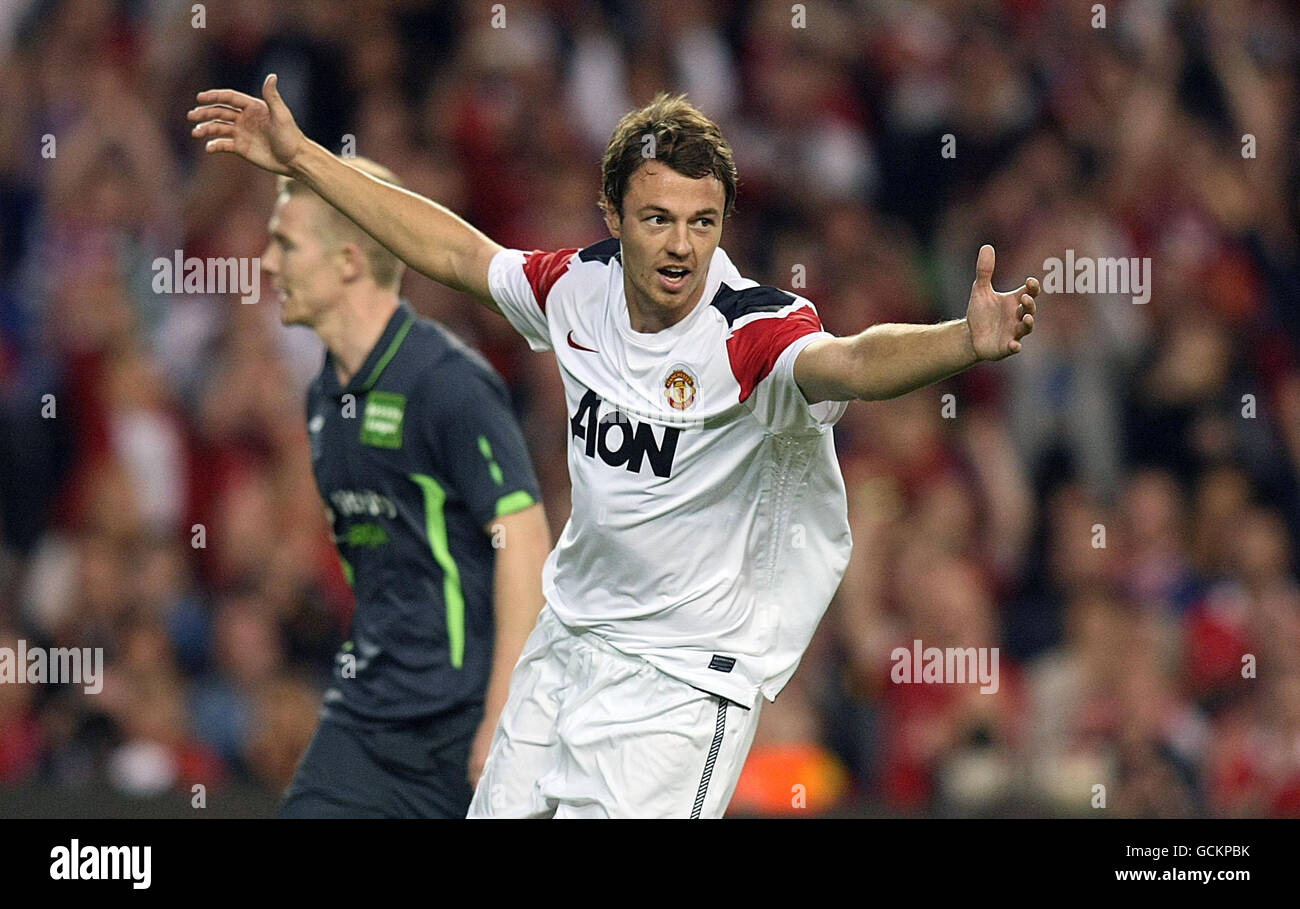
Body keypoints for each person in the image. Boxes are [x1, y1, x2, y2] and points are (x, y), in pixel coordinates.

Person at [189, 76, 1038, 818]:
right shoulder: (575, 288)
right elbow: (456, 251)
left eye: (703, 222)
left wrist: (963, 338)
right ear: (613, 216)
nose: (681, 245)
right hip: (565, 647)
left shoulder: (752, 333)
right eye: (658, 218)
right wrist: (303, 159)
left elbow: (853, 359)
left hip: (679, 685)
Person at [259, 154, 551, 818]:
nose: (268, 265)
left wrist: (503, 709)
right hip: (369, 718)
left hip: (464, 718)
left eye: (285, 243)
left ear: (350, 260)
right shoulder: (322, 398)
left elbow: (525, 536)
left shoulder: (446, 382)